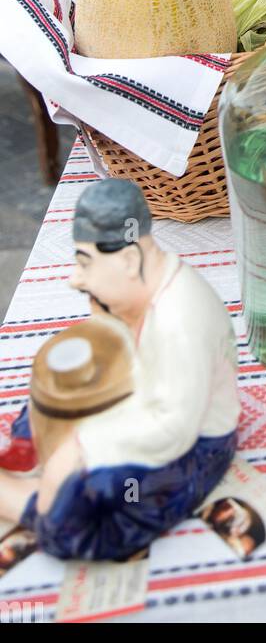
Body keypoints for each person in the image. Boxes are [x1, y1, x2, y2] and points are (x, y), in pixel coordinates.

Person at [0, 180, 240, 561]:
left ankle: (24, 499)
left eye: (85, 263)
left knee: (89, 510)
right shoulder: (142, 289)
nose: (75, 279)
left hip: (193, 446)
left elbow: (173, 430)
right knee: (50, 396)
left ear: (128, 259)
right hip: (137, 401)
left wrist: (81, 448)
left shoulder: (180, 321)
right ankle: (38, 456)